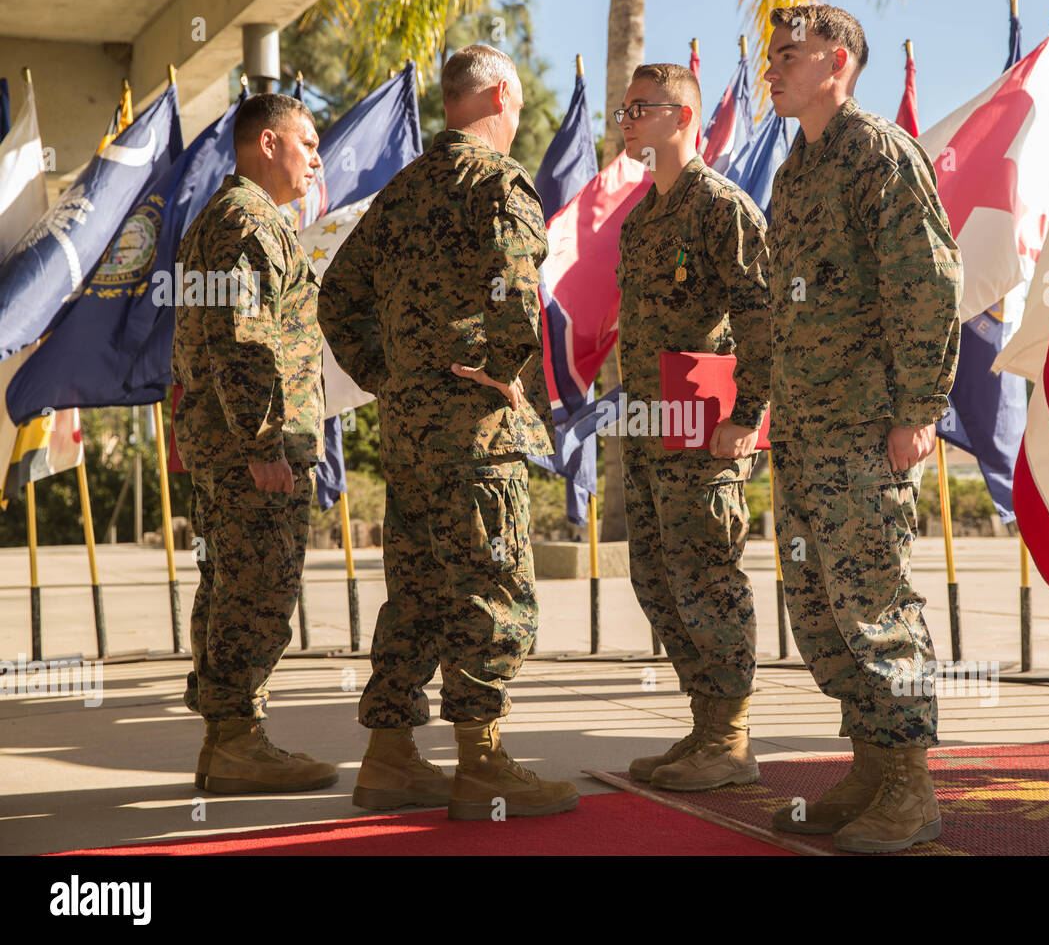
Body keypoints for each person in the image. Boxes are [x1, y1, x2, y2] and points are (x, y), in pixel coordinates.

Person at [318, 44, 578, 820]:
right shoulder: (497, 182)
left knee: (417, 591)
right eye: (521, 101)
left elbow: (336, 295)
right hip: (473, 432)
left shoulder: (402, 189)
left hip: (409, 435)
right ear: (500, 93)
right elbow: (515, 285)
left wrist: (389, 377)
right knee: (492, 589)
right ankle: (482, 763)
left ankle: (389, 756)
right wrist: (508, 366)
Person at [762, 4, 962, 853]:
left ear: (837, 61)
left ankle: (911, 787)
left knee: (875, 601)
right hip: (804, 427)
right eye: (770, 53)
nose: (772, 66)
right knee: (820, 607)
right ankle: (873, 764)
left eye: (788, 53)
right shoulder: (793, 168)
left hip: (864, 425)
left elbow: (929, 282)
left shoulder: (878, 153)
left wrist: (918, 409)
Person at [613, 63, 771, 791]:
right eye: (622, 110)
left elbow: (763, 316)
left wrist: (746, 416)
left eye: (639, 109)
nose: (625, 120)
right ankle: (706, 724)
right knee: (657, 578)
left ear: (682, 118)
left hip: (705, 430)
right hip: (649, 424)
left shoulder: (721, 207)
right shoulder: (643, 217)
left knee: (707, 576)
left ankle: (733, 739)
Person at [173, 92, 336, 794]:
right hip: (253, 448)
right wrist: (266, 442)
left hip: (226, 442)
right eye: (307, 144)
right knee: (258, 587)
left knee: (229, 582)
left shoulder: (226, 217)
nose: (316, 160)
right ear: (267, 144)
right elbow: (241, 340)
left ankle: (226, 739)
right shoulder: (246, 221)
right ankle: (238, 739)